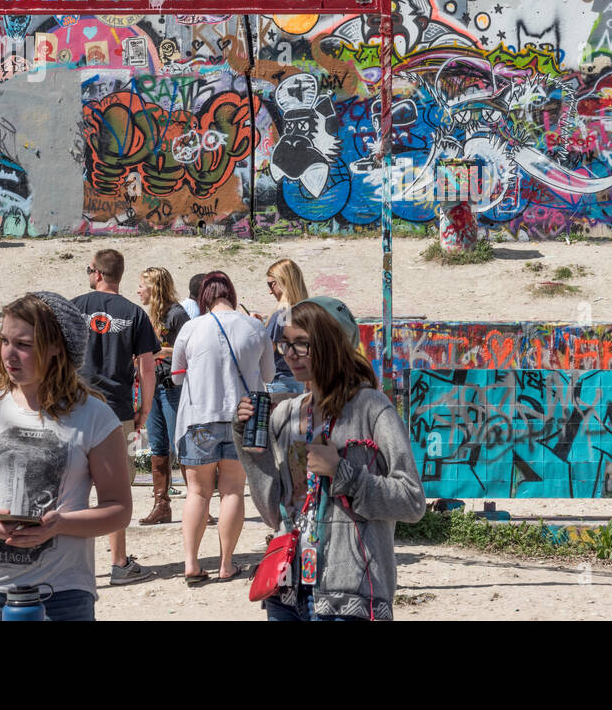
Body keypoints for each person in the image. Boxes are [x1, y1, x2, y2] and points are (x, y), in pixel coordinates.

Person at [0, 292, 132, 620]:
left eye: (23, 344)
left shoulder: (95, 417)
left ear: (57, 348)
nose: (9, 354)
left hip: (63, 594)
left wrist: (60, 525)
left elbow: (118, 510)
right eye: (5, 340)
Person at [234, 299, 425, 621]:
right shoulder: (286, 414)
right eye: (284, 344)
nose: (290, 354)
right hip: (286, 587)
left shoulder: (371, 409)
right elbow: (272, 512)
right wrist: (247, 442)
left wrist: (343, 473)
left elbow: (412, 501)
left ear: (330, 345)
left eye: (301, 344)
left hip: (349, 593)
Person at [171, 271, 273, 584]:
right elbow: (268, 374)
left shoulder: (191, 327)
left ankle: (191, 563)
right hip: (242, 419)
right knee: (232, 492)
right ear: (232, 293)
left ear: (203, 297)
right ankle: (226, 563)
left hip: (199, 418)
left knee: (197, 492)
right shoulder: (255, 327)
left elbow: (176, 376)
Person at [72, 249, 159, 585]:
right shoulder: (135, 313)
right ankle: (119, 563)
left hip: (74, 406)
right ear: (118, 275)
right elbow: (147, 368)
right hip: (116, 410)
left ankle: (71, 561)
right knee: (114, 491)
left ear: (96, 272)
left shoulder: (72, 306)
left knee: (71, 484)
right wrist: (144, 409)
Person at [136, 267, 189, 525]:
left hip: (173, 385)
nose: (138, 290)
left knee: (181, 444)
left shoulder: (177, 314)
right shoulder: (150, 315)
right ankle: (161, 505)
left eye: (142, 285)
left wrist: (160, 352)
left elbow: (190, 346)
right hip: (154, 384)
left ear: (154, 287)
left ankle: (197, 503)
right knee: (157, 446)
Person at [259, 259, 309, 403]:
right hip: (300, 380)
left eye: (271, 284)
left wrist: (256, 327)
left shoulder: (282, 314)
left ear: (283, 282)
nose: (270, 291)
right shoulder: (307, 310)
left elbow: (268, 350)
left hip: (281, 383)